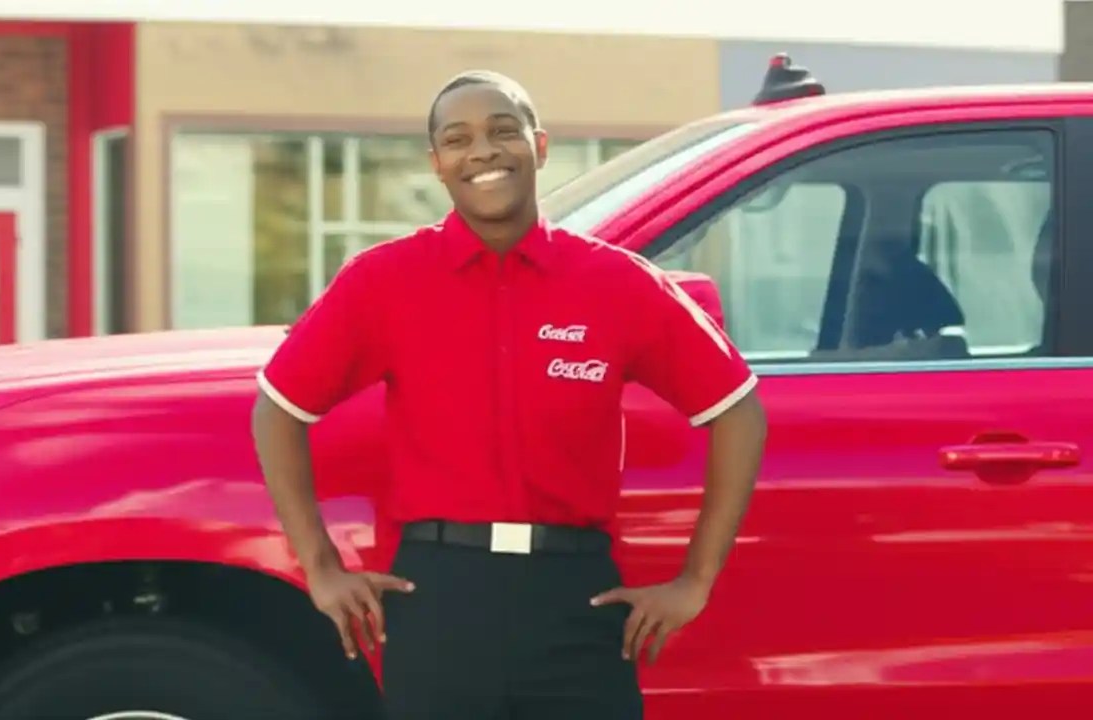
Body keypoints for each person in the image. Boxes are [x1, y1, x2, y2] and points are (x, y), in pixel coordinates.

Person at [252, 69, 768, 720]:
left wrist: (695, 582)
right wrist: (321, 568)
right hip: (438, 597)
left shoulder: (614, 282)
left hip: (576, 598)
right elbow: (278, 408)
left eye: (503, 131)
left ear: (540, 146)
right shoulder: (384, 283)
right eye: (458, 138)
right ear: (437, 163)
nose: (484, 152)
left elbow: (738, 410)